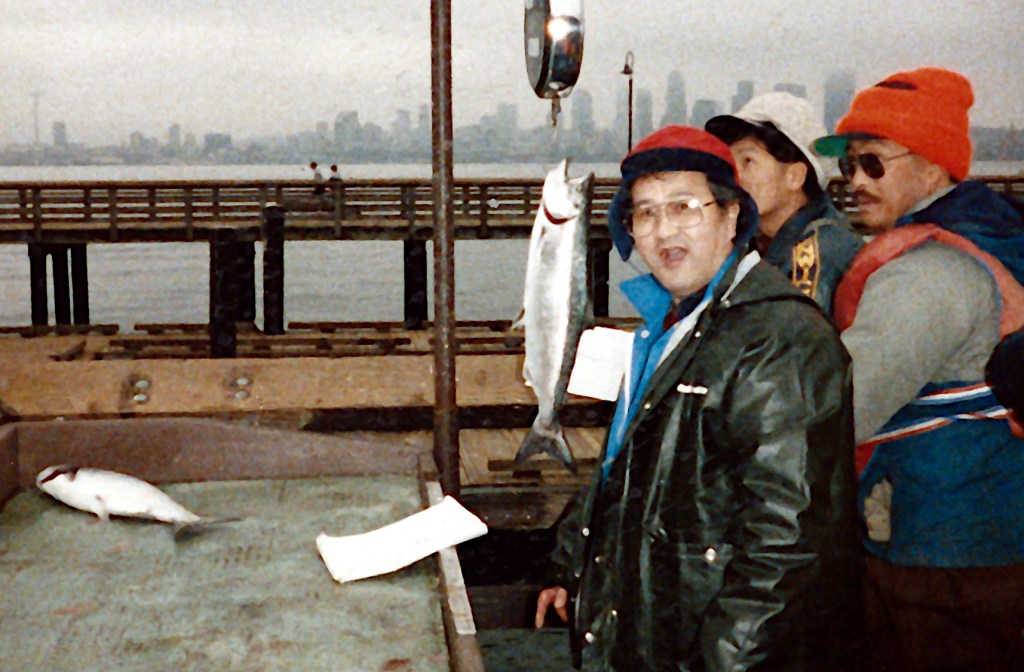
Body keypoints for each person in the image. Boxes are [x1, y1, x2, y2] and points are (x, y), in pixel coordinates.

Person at [534, 126, 863, 671]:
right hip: (654, 630)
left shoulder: (780, 340)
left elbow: (787, 549)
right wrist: (572, 565)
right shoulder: (665, 330)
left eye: (685, 206)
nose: (665, 230)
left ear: (732, 216)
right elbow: (628, 466)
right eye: (645, 213)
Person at [813, 67, 1024, 671]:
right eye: (848, 167)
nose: (855, 181)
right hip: (991, 536)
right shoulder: (993, 238)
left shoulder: (925, 274)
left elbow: (836, 412)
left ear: (933, 166)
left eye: (873, 163)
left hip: (941, 562)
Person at [706, 92, 862, 313]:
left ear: (795, 176)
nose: (735, 175)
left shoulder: (819, 250)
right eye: (730, 162)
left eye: (748, 161)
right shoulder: (754, 243)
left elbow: (792, 340)